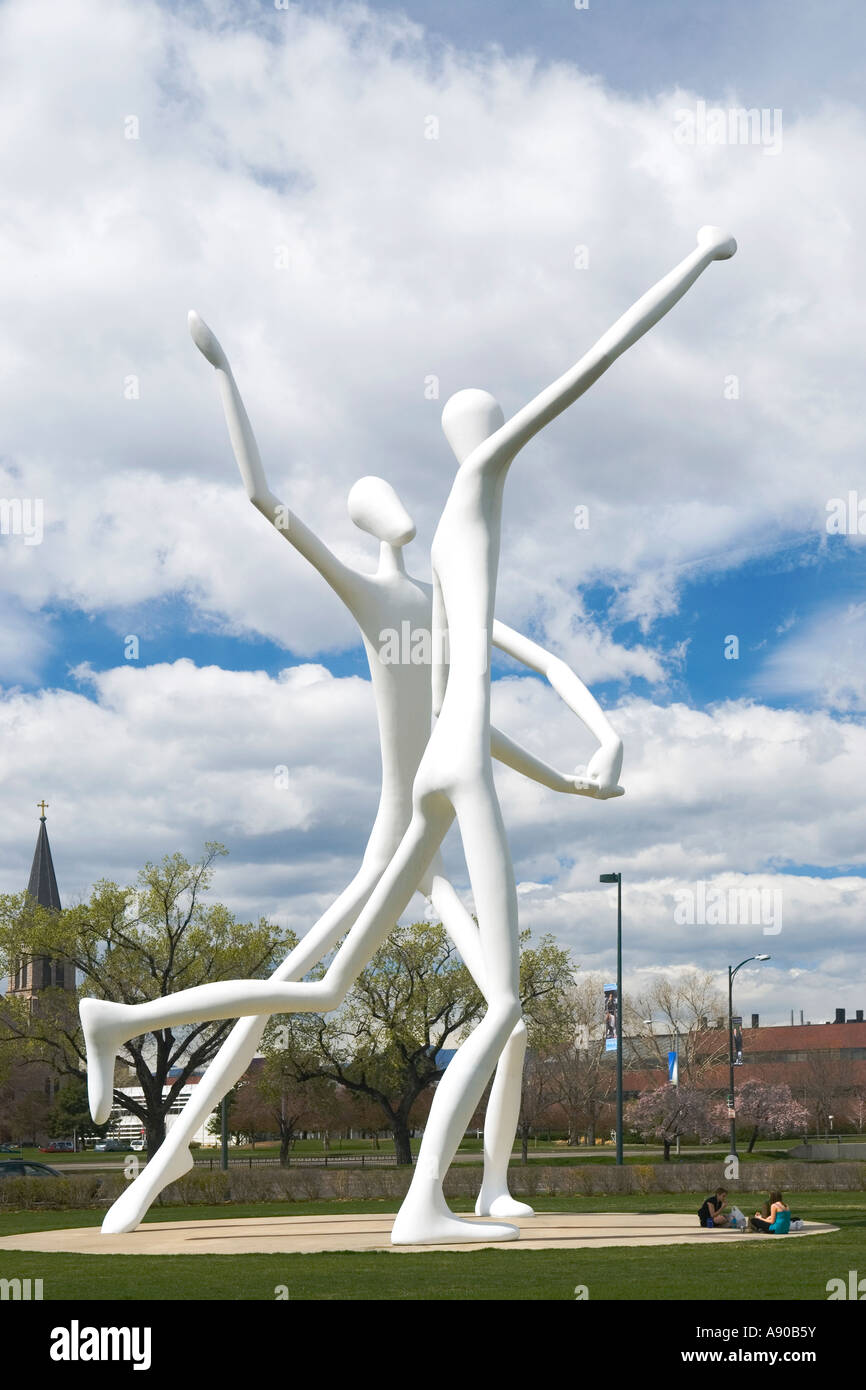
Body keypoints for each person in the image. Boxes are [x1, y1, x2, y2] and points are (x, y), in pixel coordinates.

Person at [83, 224, 735, 1244]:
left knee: (344, 983)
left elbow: (487, 692)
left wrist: (573, 770)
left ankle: (129, 1027)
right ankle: (419, 1202)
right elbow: (591, 365)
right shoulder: (466, 492)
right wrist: (691, 265)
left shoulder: (440, 595)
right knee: (495, 1001)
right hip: (433, 791)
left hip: (444, 770)